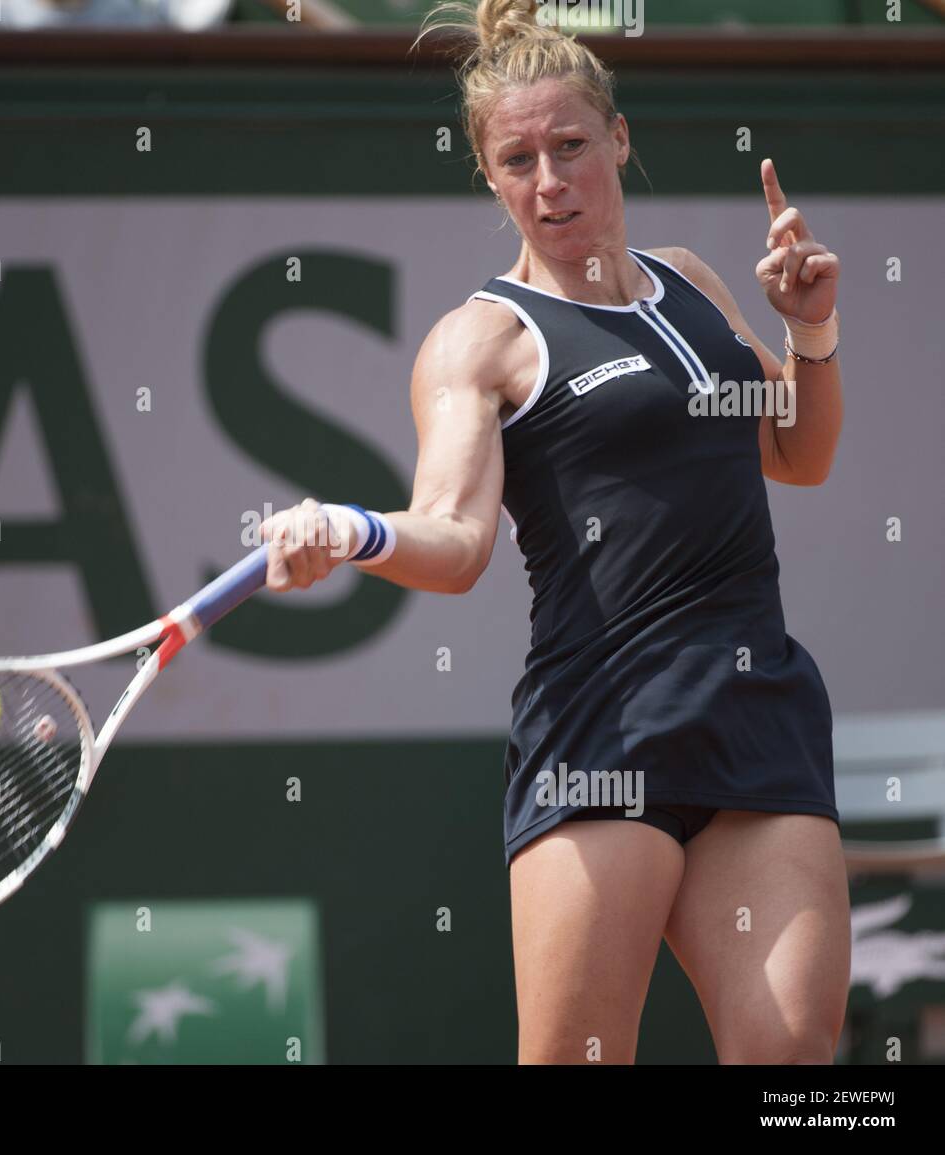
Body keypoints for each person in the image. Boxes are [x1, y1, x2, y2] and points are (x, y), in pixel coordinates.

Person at [258, 0, 850, 1064]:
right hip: (600, 744)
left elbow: (798, 455)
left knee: (797, 1059)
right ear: (487, 176)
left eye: (570, 147)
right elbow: (452, 537)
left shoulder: (694, 289)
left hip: (758, 714)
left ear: (619, 139)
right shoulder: (479, 342)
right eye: (516, 159)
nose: (548, 182)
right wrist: (352, 530)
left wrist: (810, 330)